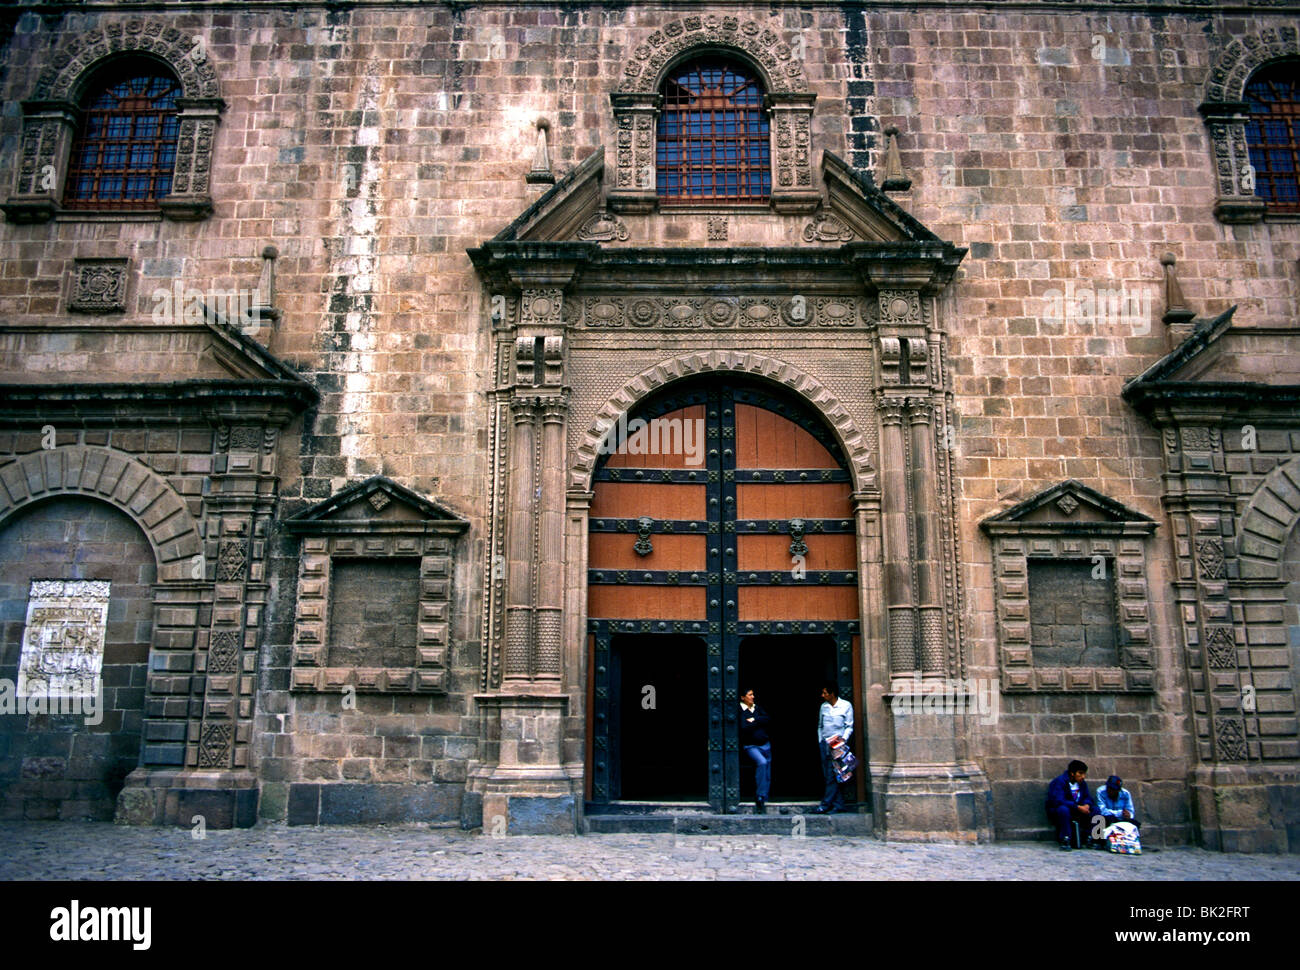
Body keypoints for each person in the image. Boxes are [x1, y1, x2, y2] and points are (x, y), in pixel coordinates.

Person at [813, 681, 854, 814]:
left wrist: (843, 740)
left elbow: (849, 726)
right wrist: (821, 740)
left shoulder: (846, 706)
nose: (822, 695)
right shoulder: (823, 707)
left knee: (833, 774)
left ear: (832, 693)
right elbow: (820, 725)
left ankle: (825, 805)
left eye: (825, 693)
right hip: (825, 743)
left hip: (838, 744)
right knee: (828, 774)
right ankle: (839, 804)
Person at [1045, 759, 1097, 850]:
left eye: (1084, 774)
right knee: (1063, 809)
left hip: (1079, 809)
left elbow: (1087, 797)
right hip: (1063, 810)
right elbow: (1058, 800)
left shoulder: (1082, 784)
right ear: (1072, 773)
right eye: (1080, 773)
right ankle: (1065, 839)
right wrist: (1077, 807)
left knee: (1096, 810)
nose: (1083, 776)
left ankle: (1095, 838)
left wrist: (1087, 805)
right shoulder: (1060, 782)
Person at [740, 688, 772, 813]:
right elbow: (744, 726)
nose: (753, 696)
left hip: (765, 744)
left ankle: (765, 796)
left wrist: (755, 720)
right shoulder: (741, 710)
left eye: (753, 694)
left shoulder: (757, 708)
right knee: (762, 763)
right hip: (751, 745)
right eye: (750, 694)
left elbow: (767, 719)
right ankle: (760, 796)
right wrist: (758, 721)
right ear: (743, 697)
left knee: (767, 770)